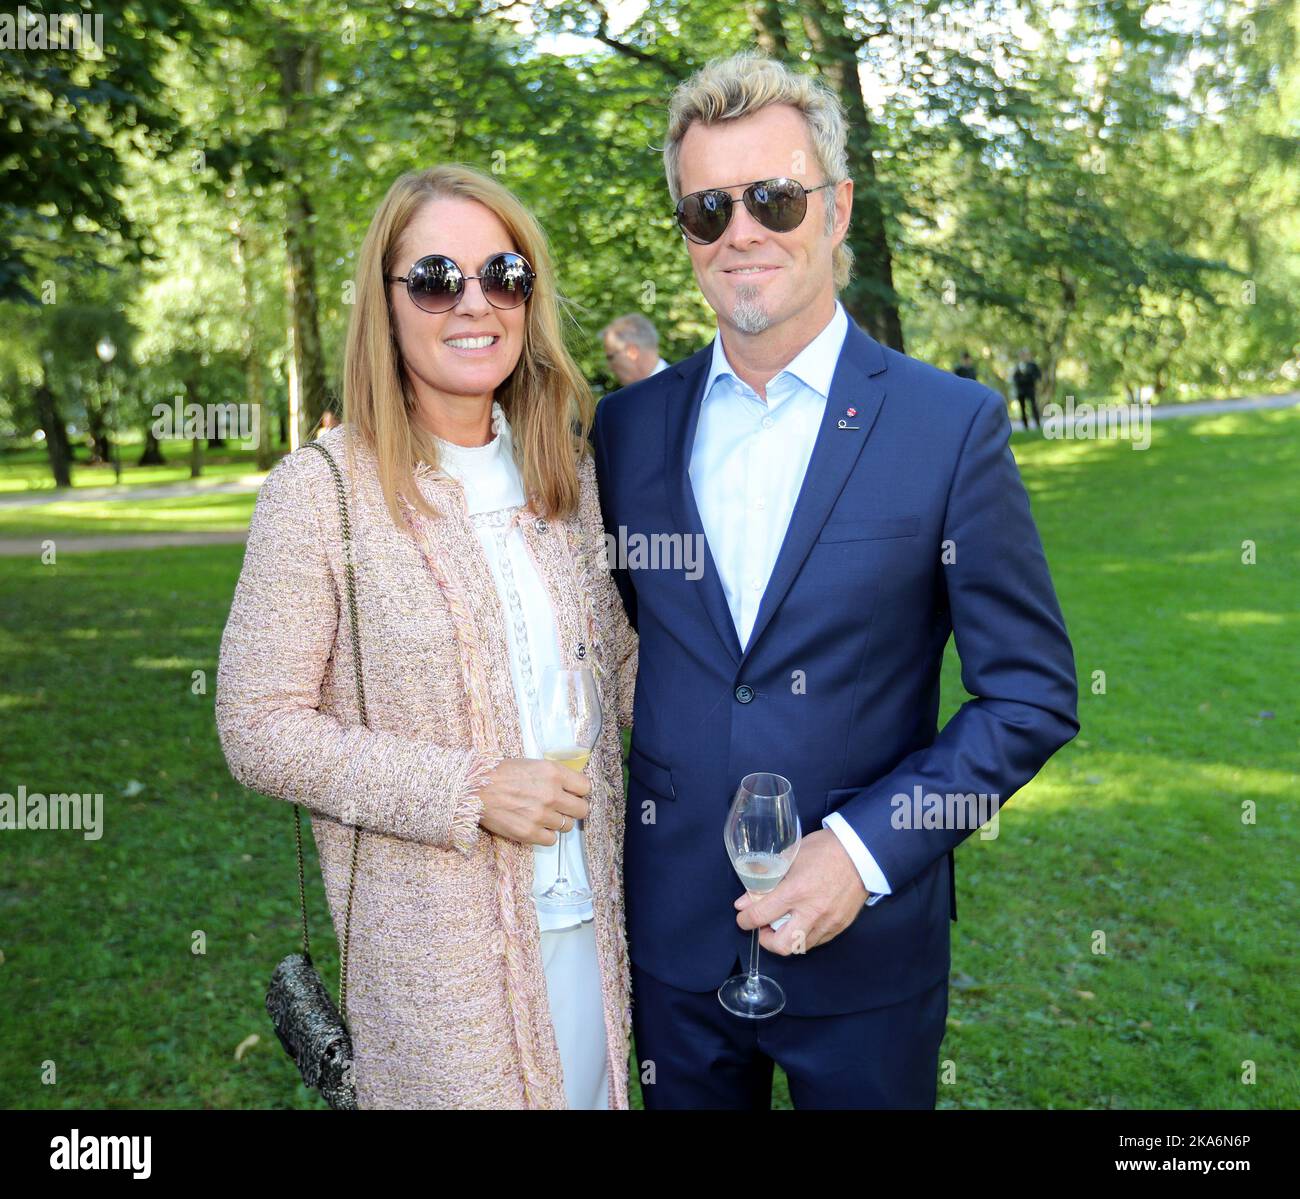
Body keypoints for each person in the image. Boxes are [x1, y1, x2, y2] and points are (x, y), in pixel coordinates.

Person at [592, 54, 1078, 1109]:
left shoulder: (949, 426)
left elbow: (1031, 694)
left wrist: (861, 853)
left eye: (771, 197)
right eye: (707, 210)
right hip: (672, 941)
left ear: (836, 206)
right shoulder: (624, 431)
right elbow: (628, 643)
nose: (741, 233)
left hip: (867, 961)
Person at [216, 164, 636, 1109]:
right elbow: (255, 723)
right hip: (436, 973)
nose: (474, 303)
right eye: (439, 278)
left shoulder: (565, 478)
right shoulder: (318, 493)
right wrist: (470, 788)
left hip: (588, 936)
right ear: (388, 300)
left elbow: (621, 668)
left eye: (505, 275)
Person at [602, 313, 669, 385]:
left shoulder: (679, 388)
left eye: (610, 357)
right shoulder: (675, 383)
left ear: (632, 352)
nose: (609, 367)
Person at [1012, 348, 1043, 430]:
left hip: (1030, 389)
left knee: (1033, 406)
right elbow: (1015, 378)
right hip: (1021, 390)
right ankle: (1025, 426)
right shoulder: (1017, 366)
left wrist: (1033, 381)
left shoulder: (1032, 365)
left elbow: (1038, 375)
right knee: (1023, 408)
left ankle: (1037, 423)